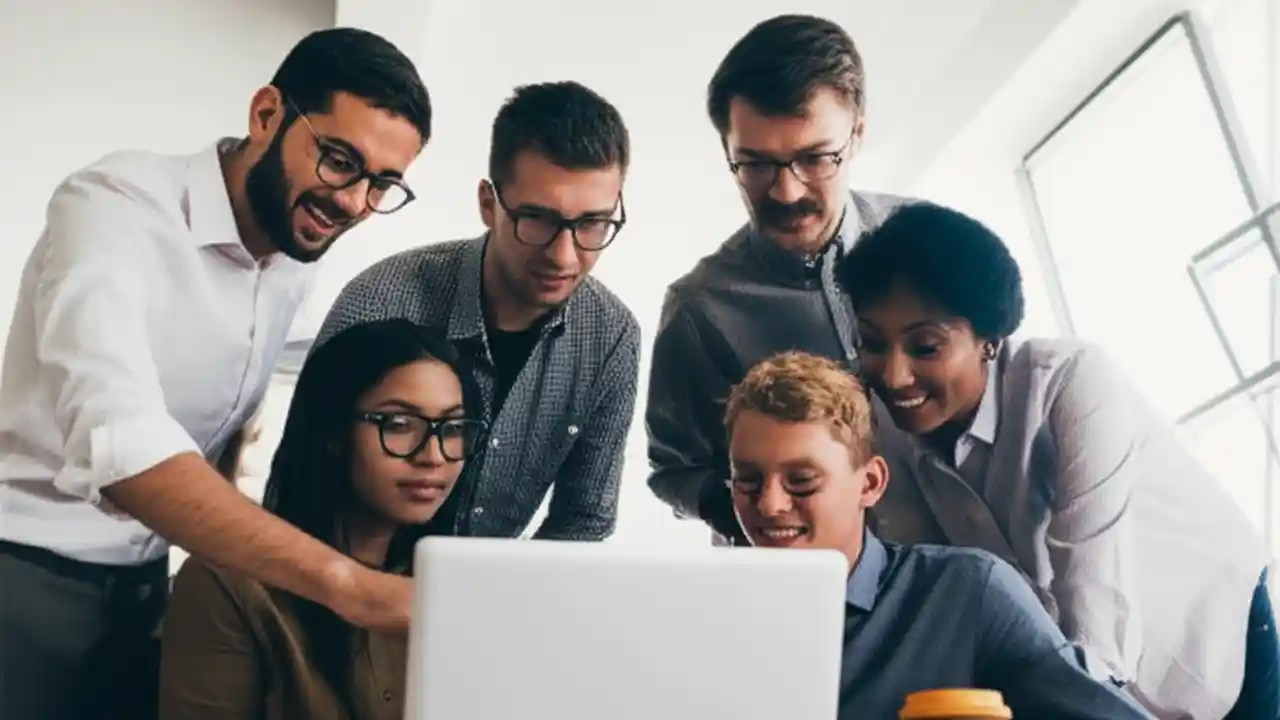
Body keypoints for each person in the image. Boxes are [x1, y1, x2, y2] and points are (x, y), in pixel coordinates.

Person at [0, 28, 432, 720]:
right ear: (266, 115)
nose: (353, 202)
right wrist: (347, 585)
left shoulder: (294, 254)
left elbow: (326, 372)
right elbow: (123, 442)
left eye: (382, 184)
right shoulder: (114, 207)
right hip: (25, 576)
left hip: (148, 584)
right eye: (340, 160)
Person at [837, 201, 1279, 719]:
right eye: (871, 342)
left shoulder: (1069, 381)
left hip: (1210, 640)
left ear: (989, 340)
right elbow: (931, 586)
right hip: (1083, 667)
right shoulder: (882, 428)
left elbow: (1094, 593)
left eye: (926, 347)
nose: (893, 376)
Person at [725, 351, 1156, 720]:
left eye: (801, 481)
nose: (770, 505)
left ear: (870, 483)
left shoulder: (968, 592)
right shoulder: (718, 626)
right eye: (747, 481)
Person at [316, 81, 639, 541]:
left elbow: (585, 519)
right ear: (488, 203)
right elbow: (304, 483)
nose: (564, 256)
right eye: (538, 220)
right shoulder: (381, 301)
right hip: (342, 585)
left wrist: (503, 604)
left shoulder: (611, 335)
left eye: (592, 223)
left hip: (495, 600)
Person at [646, 13, 907, 545]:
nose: (786, 192)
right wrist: (763, 522)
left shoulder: (924, 246)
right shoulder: (699, 310)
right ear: (727, 153)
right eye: (756, 165)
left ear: (857, 134)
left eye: (814, 159)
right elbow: (675, 470)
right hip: (789, 589)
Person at [158, 320, 485, 720]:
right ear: (332, 431)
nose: (433, 455)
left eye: (452, 428)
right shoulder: (228, 585)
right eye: (398, 424)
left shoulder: (462, 583)